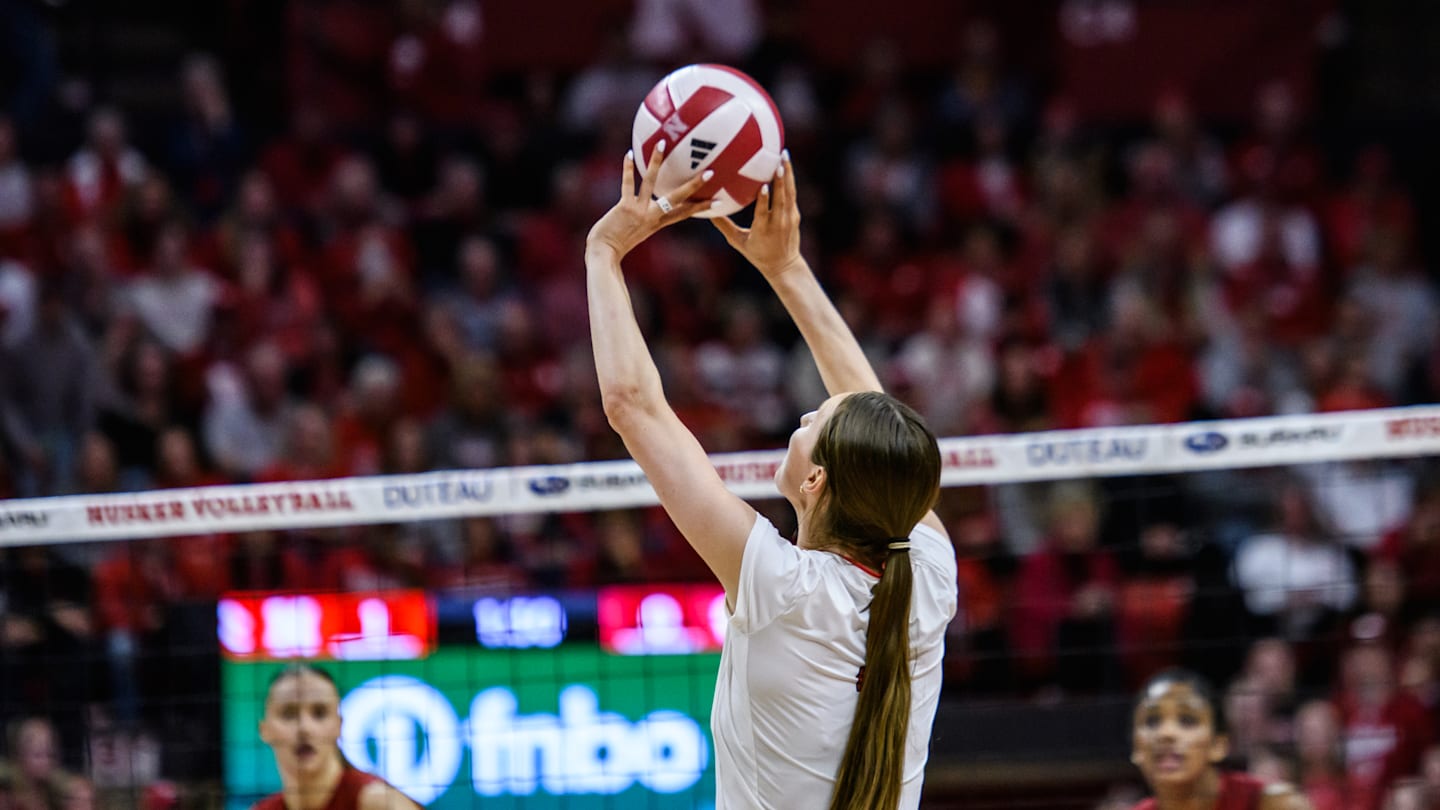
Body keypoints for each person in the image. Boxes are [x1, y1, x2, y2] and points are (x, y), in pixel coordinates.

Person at [585, 145, 956, 810]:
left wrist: (605, 251)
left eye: (815, 418)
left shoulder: (784, 586)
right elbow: (880, 431)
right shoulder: (925, 571)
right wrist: (785, 269)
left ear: (815, 482)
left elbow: (631, 407)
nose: (810, 406)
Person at [1130, 668, 1312, 810]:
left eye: (1187, 720)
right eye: (1152, 721)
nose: (1165, 733)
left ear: (1218, 745)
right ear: (1136, 749)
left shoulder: (1271, 803)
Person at [251, 665, 417, 810]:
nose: (304, 728)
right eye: (289, 714)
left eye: (319, 713)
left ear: (339, 725)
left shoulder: (378, 801)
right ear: (264, 730)